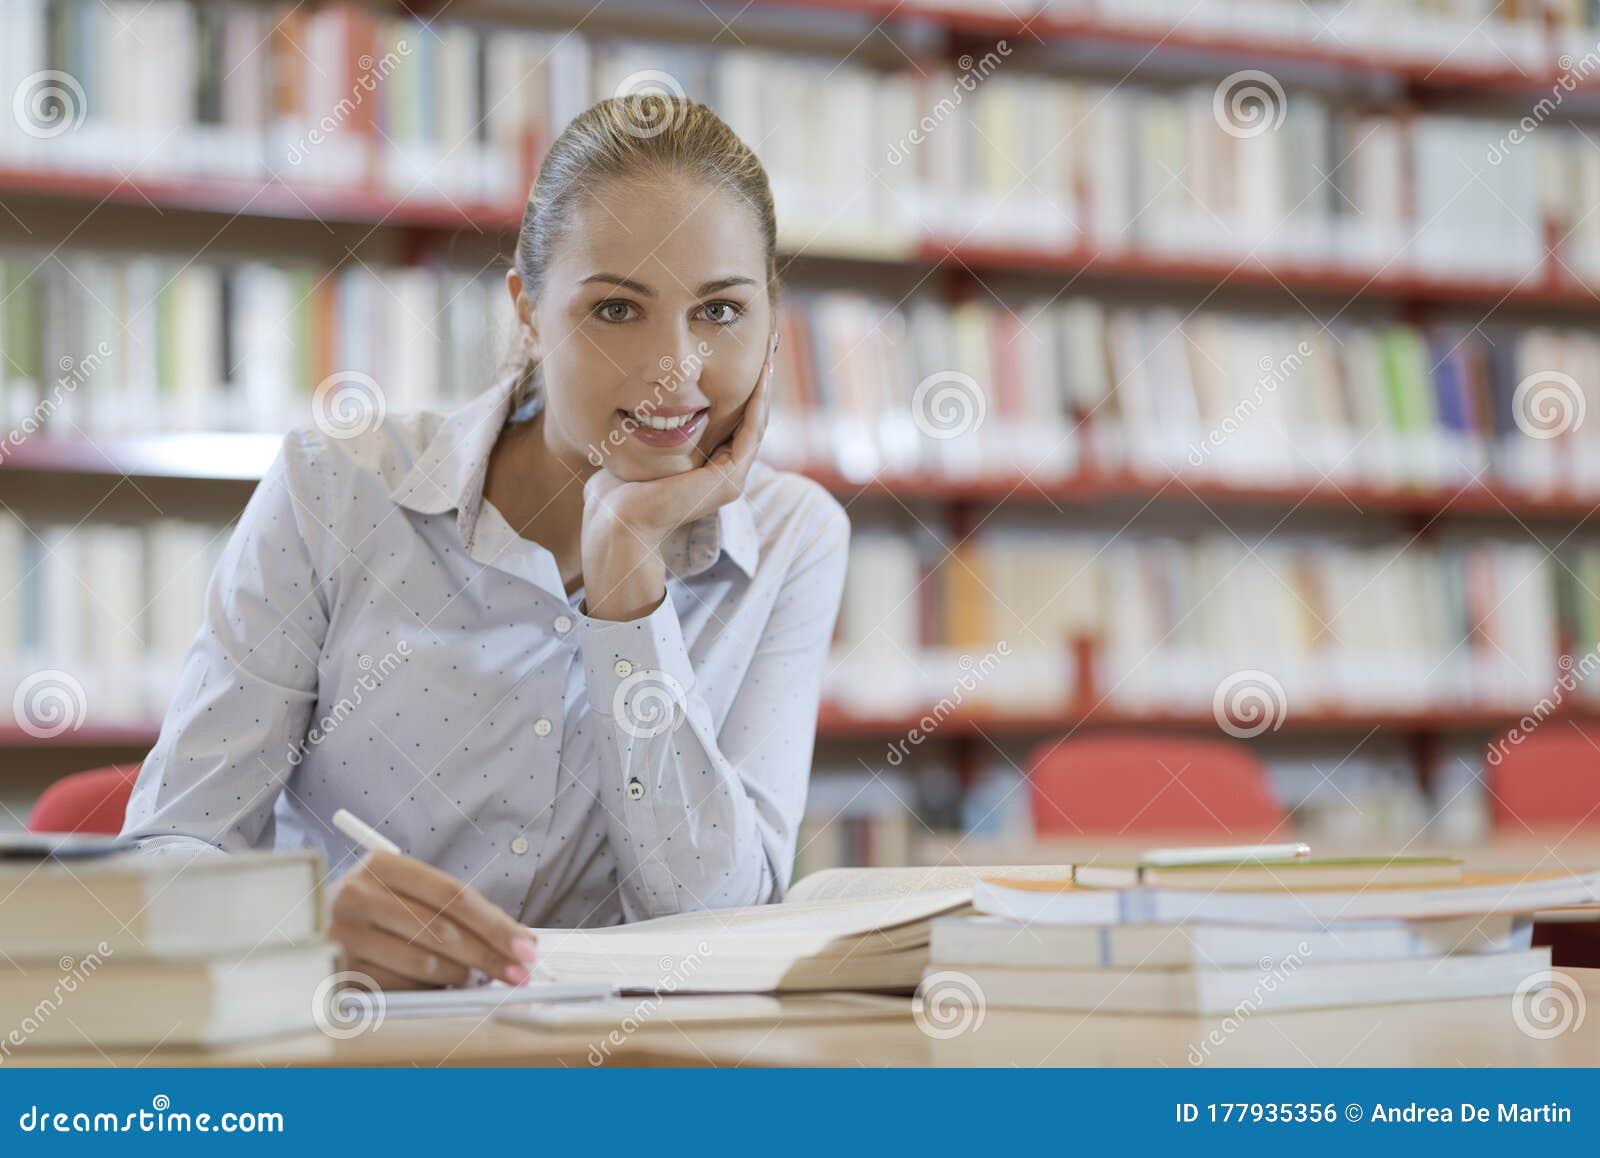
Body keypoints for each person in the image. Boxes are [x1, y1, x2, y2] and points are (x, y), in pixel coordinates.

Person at [121, 94, 851, 991]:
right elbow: (166, 849)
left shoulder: (792, 540)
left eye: (722, 312)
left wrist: (630, 585)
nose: (676, 368)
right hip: (350, 1057)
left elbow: (717, 927)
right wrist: (300, 925)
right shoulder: (336, 488)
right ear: (529, 312)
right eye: (618, 310)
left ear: (773, 321)